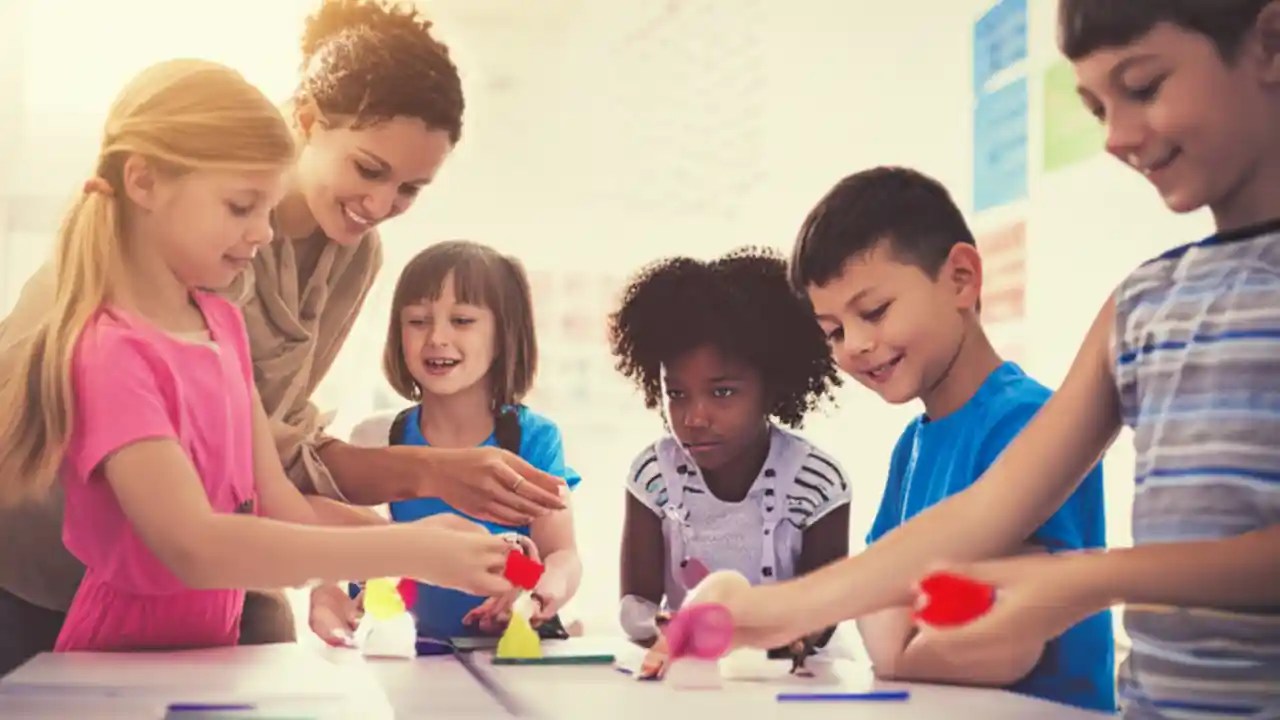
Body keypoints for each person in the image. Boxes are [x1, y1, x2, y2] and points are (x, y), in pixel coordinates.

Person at [682, 2, 1280, 718]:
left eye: (1144, 87)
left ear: (1271, 44)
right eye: (1095, 108)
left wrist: (1084, 581)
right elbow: (977, 519)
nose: (1116, 137)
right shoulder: (1143, 303)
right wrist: (766, 611)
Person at [0, 0, 562, 673]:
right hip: (66, 571)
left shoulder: (236, 316)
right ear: (305, 122)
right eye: (369, 169)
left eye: (410, 189)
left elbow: (263, 466)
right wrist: (408, 537)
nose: (381, 206)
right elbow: (196, 535)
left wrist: (425, 542)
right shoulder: (138, 317)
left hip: (197, 597)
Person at [792, 166, 1113, 712]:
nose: (856, 347)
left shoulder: (1027, 422)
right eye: (834, 332)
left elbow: (1005, 644)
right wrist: (904, 630)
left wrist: (900, 649)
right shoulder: (910, 447)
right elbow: (878, 602)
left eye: (874, 312)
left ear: (962, 279)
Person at [608, 248, 850, 677]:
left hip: (794, 684)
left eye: (722, 393)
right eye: (677, 393)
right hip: (687, 679)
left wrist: (779, 636)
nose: (694, 417)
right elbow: (634, 606)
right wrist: (669, 628)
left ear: (773, 387)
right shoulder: (653, 476)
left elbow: (826, 612)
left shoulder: (818, 482)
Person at [343, 241, 582, 642]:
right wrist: (359, 591)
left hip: (509, 653)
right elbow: (361, 556)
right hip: (406, 655)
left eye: (462, 320)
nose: (437, 337)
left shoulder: (533, 438)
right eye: (418, 320)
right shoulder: (376, 439)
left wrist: (536, 593)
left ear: (504, 335)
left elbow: (560, 556)